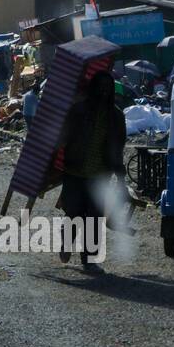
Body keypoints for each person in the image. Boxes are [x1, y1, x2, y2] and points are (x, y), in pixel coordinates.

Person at [56, 71, 127, 268]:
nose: (103, 92)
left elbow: (118, 147)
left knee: (95, 219)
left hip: (100, 175)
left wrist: (121, 176)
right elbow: (63, 138)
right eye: (100, 87)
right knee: (73, 213)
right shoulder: (77, 111)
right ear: (92, 89)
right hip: (74, 172)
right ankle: (66, 243)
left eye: (108, 88)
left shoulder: (117, 117)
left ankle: (89, 260)